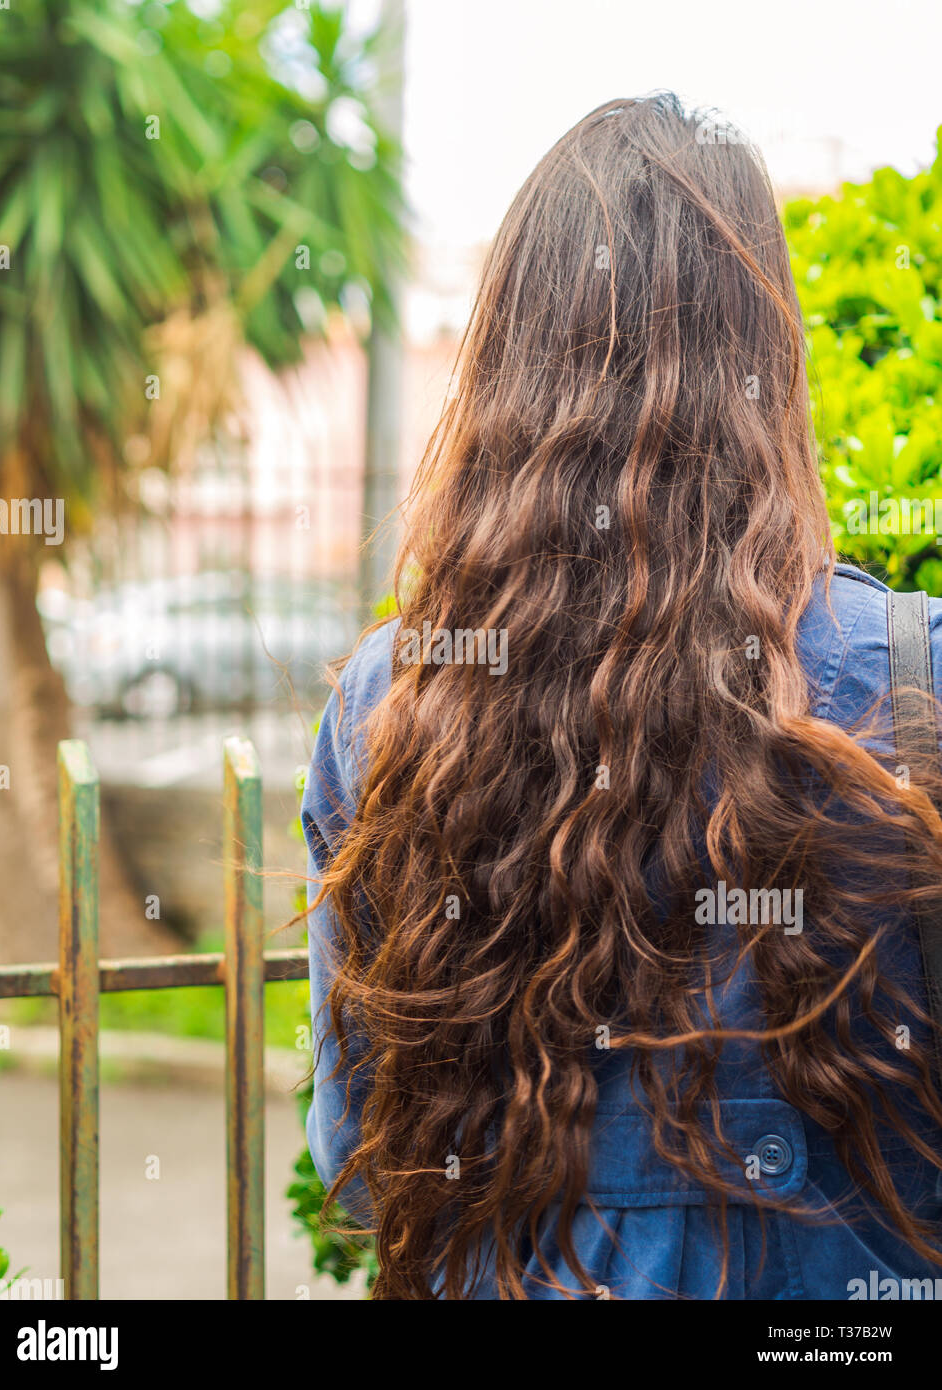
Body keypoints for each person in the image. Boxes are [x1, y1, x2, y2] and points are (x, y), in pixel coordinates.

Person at [301, 92, 942, 1299]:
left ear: (506, 360)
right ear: (770, 358)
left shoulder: (393, 702)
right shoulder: (915, 678)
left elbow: (358, 1147)